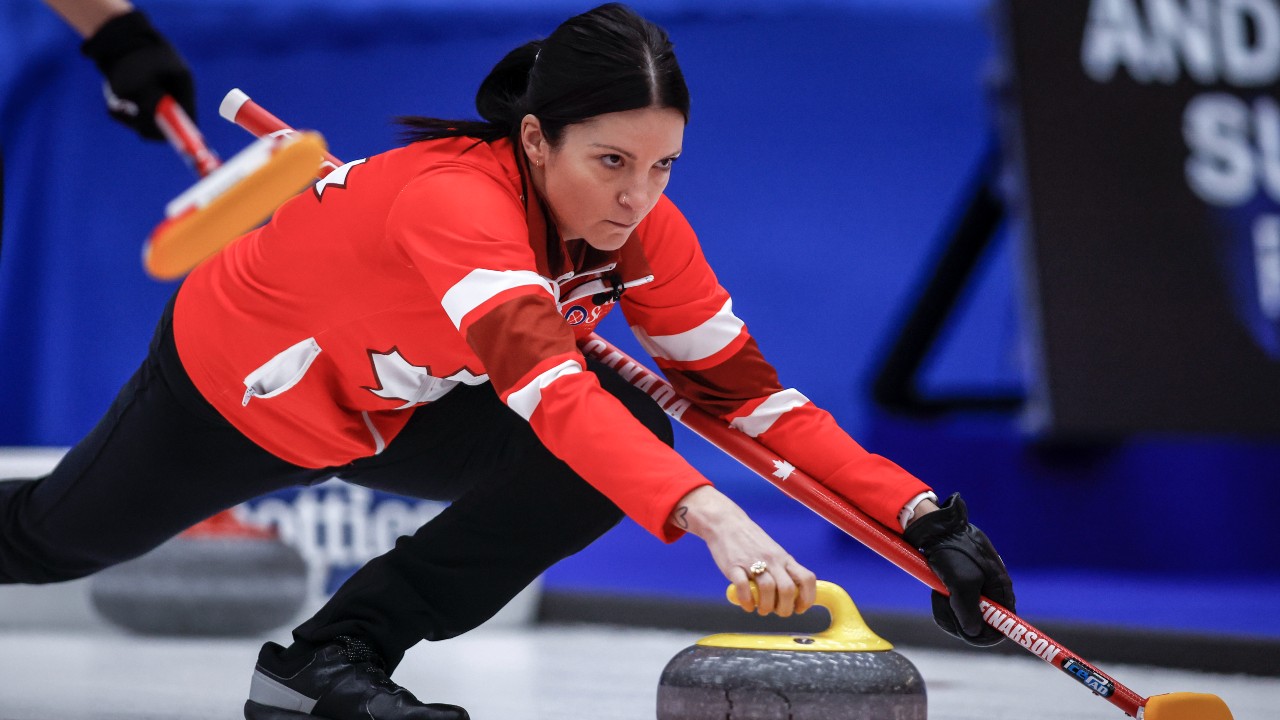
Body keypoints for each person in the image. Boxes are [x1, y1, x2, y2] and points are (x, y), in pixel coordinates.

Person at [0, 4, 1016, 719]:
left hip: (393, 406)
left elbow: (749, 398)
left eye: (661, 167)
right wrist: (708, 514)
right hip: (231, 390)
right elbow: (550, 392)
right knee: (47, 547)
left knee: (631, 433)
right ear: (535, 141)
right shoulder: (457, 204)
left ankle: (328, 662)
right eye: (609, 163)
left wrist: (921, 518)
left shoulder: (643, 232)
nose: (635, 197)